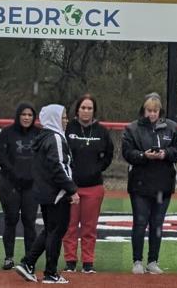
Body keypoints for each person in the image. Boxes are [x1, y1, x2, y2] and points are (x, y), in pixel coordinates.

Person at [14, 104, 79, 284]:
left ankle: (28, 263)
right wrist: (72, 189)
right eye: (63, 117)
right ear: (54, 118)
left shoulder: (44, 137)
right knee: (57, 231)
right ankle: (50, 272)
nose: (66, 120)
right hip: (57, 192)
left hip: (46, 191)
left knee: (50, 230)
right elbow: (58, 167)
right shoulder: (56, 138)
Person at [122, 93, 177, 274]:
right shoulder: (132, 128)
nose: (152, 114)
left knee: (157, 224)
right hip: (140, 185)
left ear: (160, 111)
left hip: (163, 184)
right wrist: (143, 155)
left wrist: (165, 154)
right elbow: (127, 152)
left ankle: (153, 261)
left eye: (155, 111)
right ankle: (137, 261)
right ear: (143, 110)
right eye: (149, 110)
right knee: (140, 223)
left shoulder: (172, 128)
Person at [63, 94, 114, 274]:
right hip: (71, 187)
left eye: (89, 108)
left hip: (94, 187)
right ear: (77, 110)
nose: (86, 111)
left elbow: (109, 153)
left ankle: (88, 262)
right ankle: (70, 261)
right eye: (83, 108)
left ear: (94, 111)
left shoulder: (101, 131)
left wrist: (97, 168)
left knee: (89, 227)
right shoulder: (68, 129)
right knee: (69, 226)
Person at [0, 102, 40, 270]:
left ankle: (30, 259)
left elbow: (43, 158)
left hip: (31, 185)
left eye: (30, 115)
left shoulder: (39, 134)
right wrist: (15, 174)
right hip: (10, 184)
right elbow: (0, 156)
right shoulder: (6, 133)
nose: (27, 117)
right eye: (24, 114)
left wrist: (33, 176)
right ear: (18, 115)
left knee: (29, 221)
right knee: (11, 219)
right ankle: (9, 257)